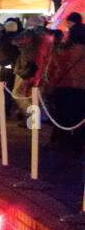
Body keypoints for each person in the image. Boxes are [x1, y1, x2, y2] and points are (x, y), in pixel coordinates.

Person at [44, 22, 85, 150]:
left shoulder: (63, 51)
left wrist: (50, 83)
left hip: (64, 86)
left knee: (62, 116)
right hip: (82, 88)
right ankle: (78, 142)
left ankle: (61, 141)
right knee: (80, 117)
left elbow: (52, 68)